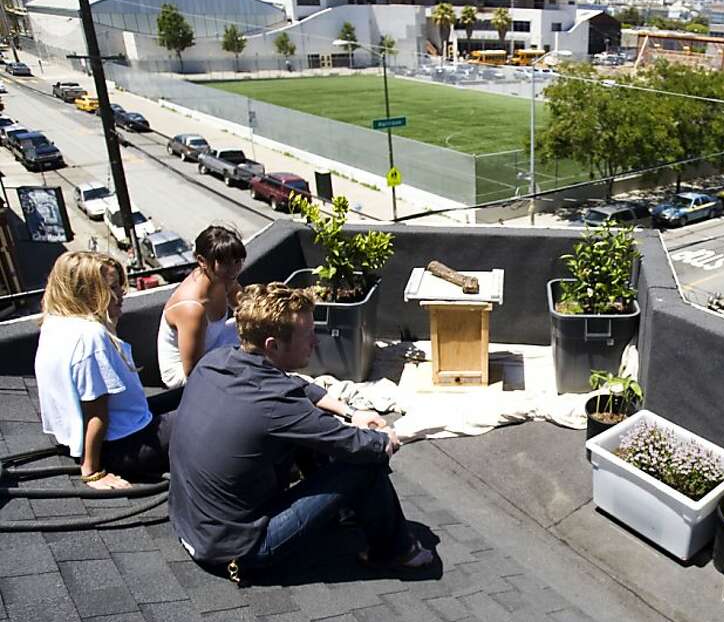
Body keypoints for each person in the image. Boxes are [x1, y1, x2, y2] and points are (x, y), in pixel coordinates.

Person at [169, 282, 432, 577]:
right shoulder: (277, 404)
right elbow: (358, 444)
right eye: (308, 336)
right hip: (239, 549)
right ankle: (395, 552)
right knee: (366, 465)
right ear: (273, 345)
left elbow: (298, 387)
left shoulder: (216, 361)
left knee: (308, 435)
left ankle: (343, 510)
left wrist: (351, 411)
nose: (315, 343)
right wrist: (384, 439)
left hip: (193, 527)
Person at [34, 251, 173, 490]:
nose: (122, 293)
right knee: (209, 412)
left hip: (120, 431)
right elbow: (95, 411)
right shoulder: (89, 336)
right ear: (86, 292)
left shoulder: (55, 322)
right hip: (127, 446)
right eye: (113, 288)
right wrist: (93, 471)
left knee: (195, 389)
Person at [157, 225, 245, 388]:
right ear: (202, 261)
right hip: (184, 372)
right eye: (224, 263)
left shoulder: (224, 279)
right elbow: (193, 371)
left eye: (237, 261)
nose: (233, 269)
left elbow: (247, 309)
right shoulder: (193, 308)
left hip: (212, 345)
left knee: (260, 331)